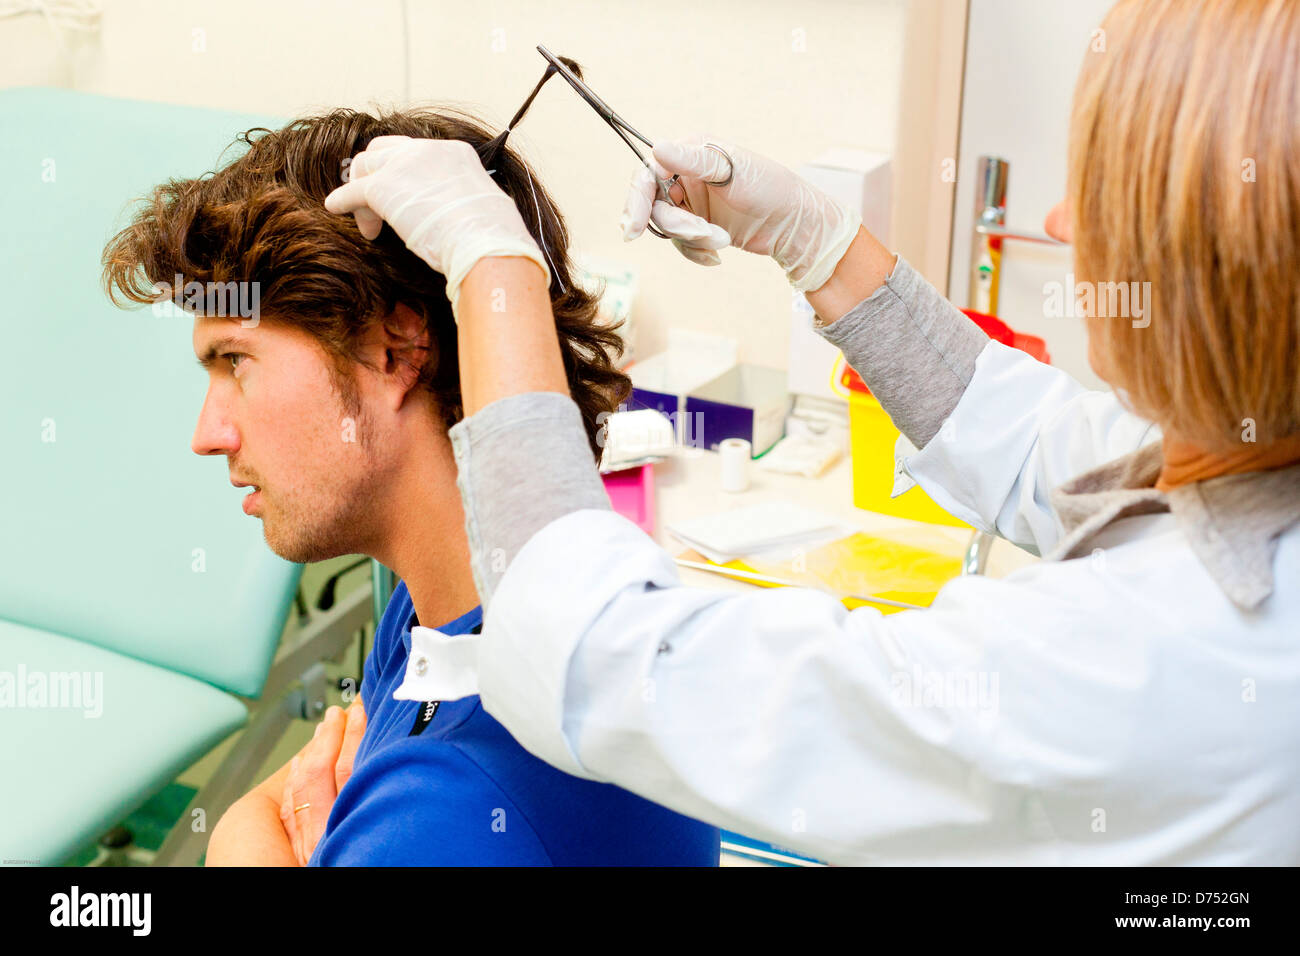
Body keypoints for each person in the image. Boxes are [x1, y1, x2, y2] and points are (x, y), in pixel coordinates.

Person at [323, 0, 1300, 865]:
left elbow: (604, 661)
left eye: (1106, 199)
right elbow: (1039, 436)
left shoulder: (1178, 660)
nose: (1062, 221)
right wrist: (812, 239)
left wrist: (494, 273)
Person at [100, 107, 720, 866]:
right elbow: (292, 794)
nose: (209, 433)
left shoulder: (452, 805)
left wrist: (240, 846)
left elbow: (285, 815)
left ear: (395, 350)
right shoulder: (441, 614)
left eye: (236, 361)